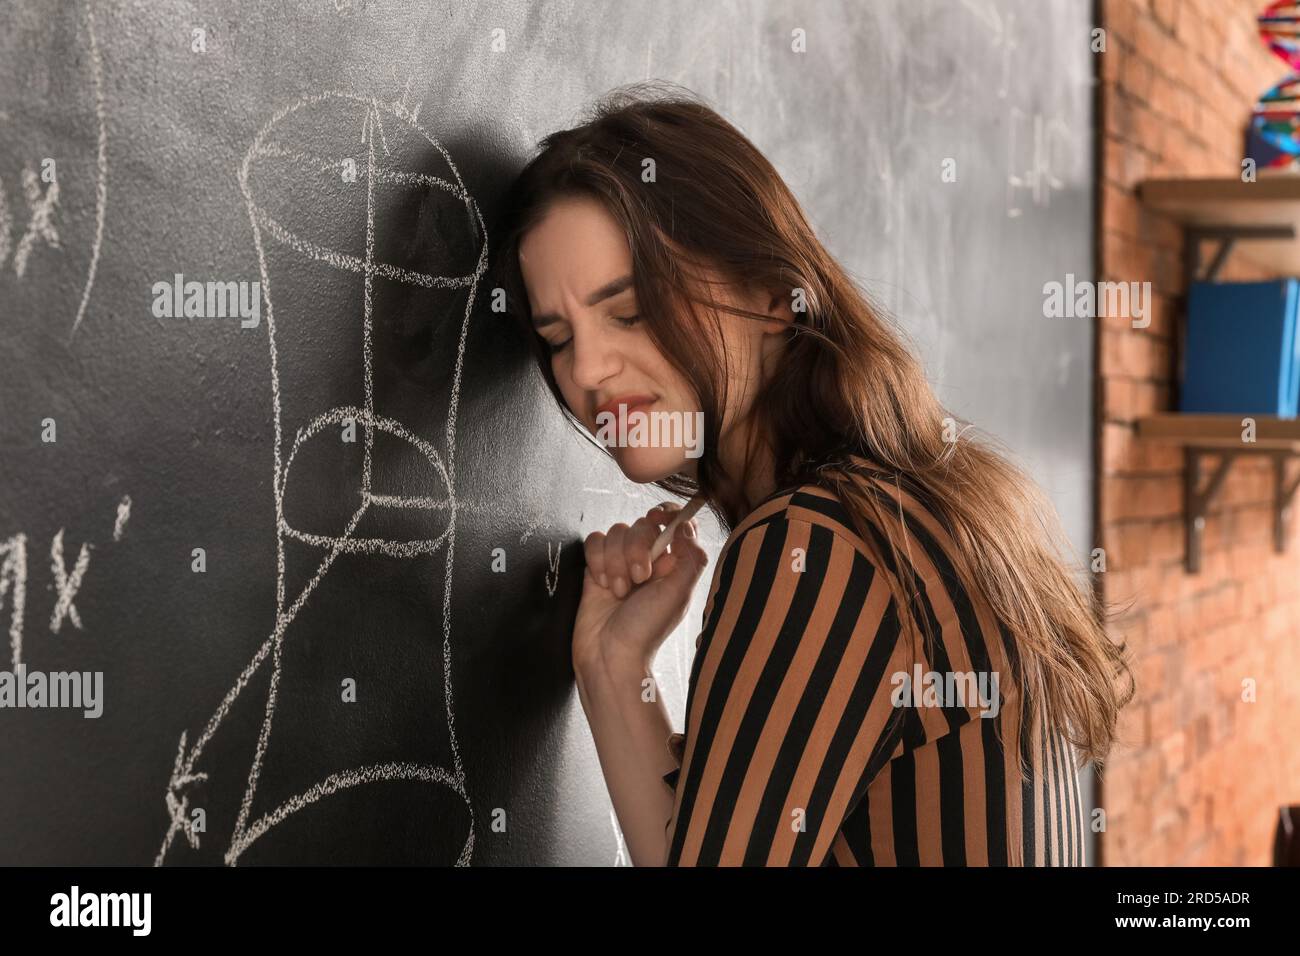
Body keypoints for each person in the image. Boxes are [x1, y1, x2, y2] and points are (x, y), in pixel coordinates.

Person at [489, 82, 1133, 866]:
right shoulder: (918, 509)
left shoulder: (815, 548)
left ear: (772, 299)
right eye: (557, 338)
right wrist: (613, 667)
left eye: (629, 311)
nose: (587, 368)